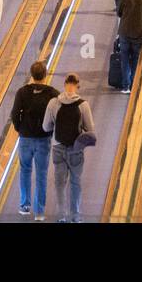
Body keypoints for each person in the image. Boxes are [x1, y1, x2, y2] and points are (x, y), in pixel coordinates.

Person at [10, 60, 59, 218]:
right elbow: (57, 116)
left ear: (31, 75)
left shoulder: (22, 92)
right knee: (42, 174)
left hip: (25, 138)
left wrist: (20, 129)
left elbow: (15, 114)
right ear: (45, 75)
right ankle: (39, 211)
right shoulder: (53, 93)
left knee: (25, 171)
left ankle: (24, 206)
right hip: (43, 139)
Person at [43, 73, 95, 223]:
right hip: (75, 150)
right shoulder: (83, 105)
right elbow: (91, 130)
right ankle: (76, 216)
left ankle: (61, 216)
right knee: (75, 182)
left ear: (65, 84)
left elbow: (46, 127)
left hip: (58, 148)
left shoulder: (53, 103)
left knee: (60, 184)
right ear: (77, 86)